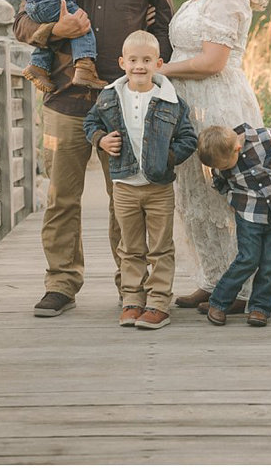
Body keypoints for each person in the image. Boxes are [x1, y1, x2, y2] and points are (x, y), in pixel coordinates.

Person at [13, 0, 174, 319]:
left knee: (126, 195)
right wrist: (56, 31)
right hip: (63, 99)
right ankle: (61, 283)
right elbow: (22, 23)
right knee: (61, 197)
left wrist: (149, 79)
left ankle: (132, 287)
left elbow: (165, 33)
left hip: (124, 105)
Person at [154, 0, 267, 310]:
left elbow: (214, 61)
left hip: (217, 105)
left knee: (223, 195)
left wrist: (160, 70)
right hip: (190, 104)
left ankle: (240, 287)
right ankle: (213, 277)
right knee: (195, 195)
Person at [81, 30, 197, 328]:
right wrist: (101, 140)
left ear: (158, 63)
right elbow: (90, 122)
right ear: (122, 62)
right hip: (124, 187)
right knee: (130, 247)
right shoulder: (110, 97)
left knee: (160, 247)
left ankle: (158, 302)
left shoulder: (171, 101)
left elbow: (187, 138)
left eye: (146, 60)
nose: (139, 66)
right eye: (133, 60)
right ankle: (133, 298)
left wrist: (168, 158)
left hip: (159, 187)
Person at [196, 122, 271, 327]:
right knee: (247, 258)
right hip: (249, 216)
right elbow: (220, 184)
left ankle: (260, 308)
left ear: (237, 148)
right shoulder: (221, 160)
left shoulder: (264, 140)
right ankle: (219, 302)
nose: (222, 170)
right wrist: (234, 199)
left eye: (224, 166)